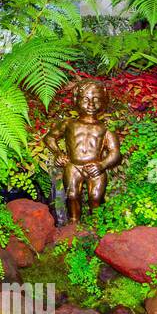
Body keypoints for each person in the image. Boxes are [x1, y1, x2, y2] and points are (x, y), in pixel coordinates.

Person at [48, 80, 122, 222]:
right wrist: (57, 153)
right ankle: (73, 223)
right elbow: (50, 138)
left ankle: (97, 224)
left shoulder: (105, 129)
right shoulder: (69, 124)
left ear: (104, 102)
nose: (91, 104)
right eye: (86, 99)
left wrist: (102, 165)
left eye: (96, 100)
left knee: (96, 197)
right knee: (72, 195)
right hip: (73, 166)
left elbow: (115, 153)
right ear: (76, 100)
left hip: (96, 168)